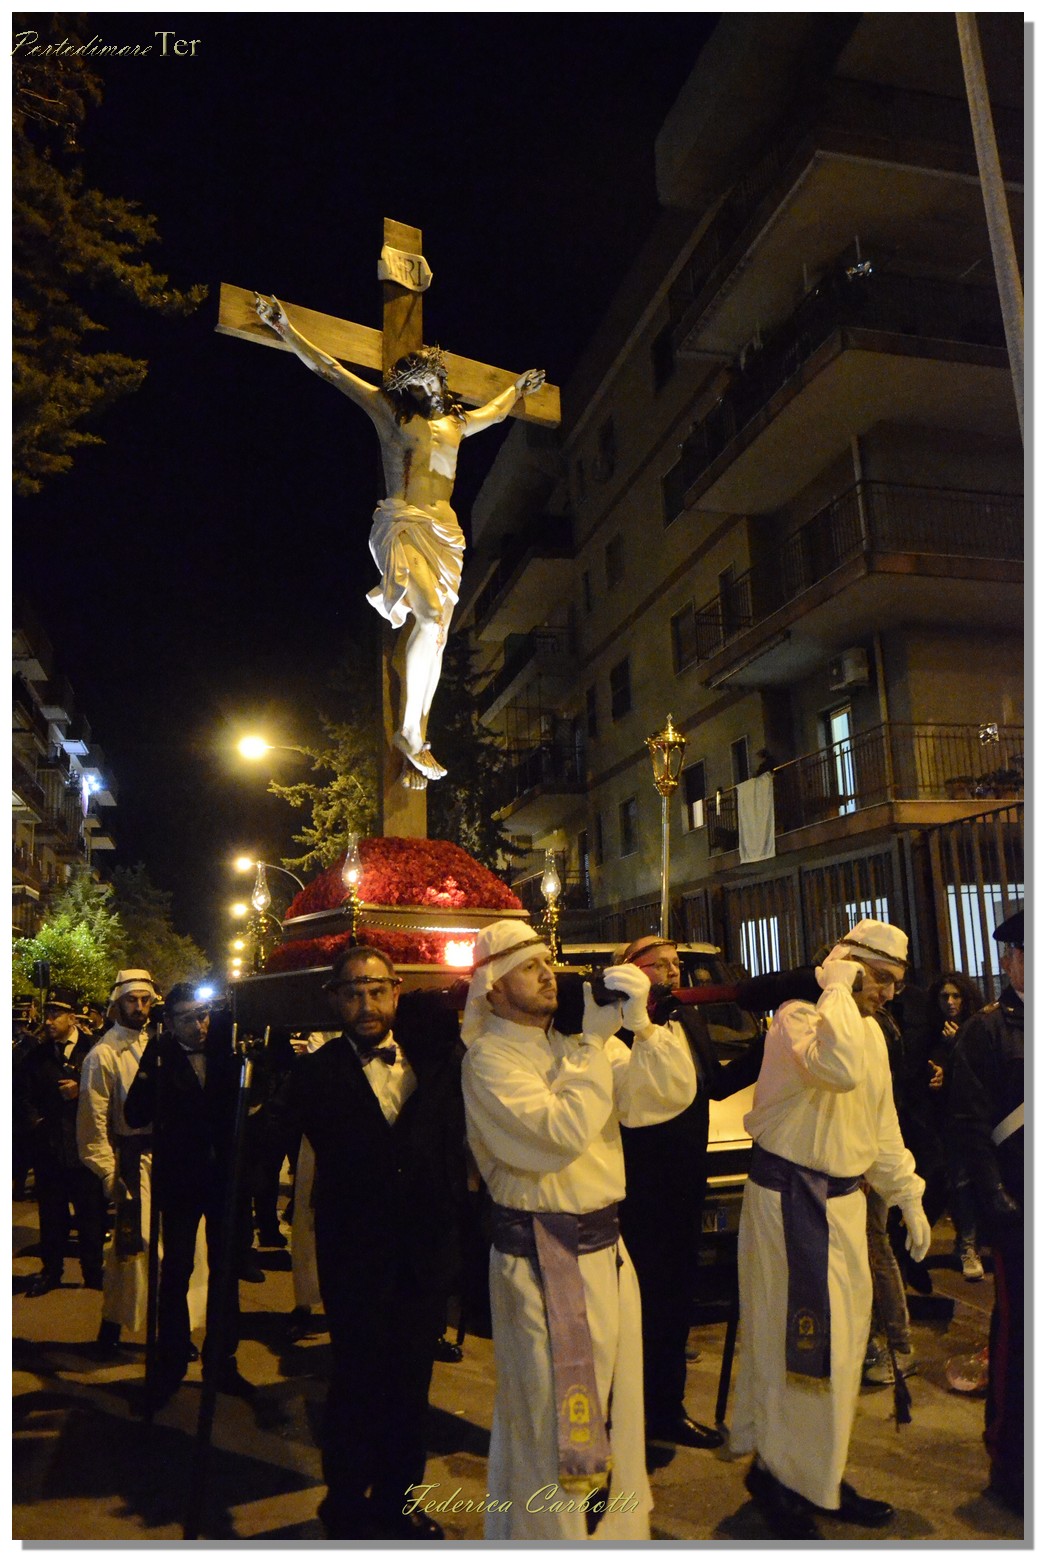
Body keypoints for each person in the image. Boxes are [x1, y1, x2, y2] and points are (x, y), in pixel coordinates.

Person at [459, 920, 698, 1540]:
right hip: (542, 1260)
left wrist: (643, 1025)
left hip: (607, 1251)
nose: (547, 974)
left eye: (547, 962)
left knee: (616, 1407)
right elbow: (558, 1135)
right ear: (492, 988)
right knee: (552, 1420)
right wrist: (594, 1048)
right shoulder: (488, 1060)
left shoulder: (571, 1044)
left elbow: (664, 1097)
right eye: (529, 966)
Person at [254, 294, 544, 785]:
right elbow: (330, 369)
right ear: (406, 390)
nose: (431, 386)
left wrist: (516, 389)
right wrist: (285, 328)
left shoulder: (455, 423)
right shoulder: (393, 417)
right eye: (420, 383)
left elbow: (493, 414)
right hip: (403, 521)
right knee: (429, 614)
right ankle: (409, 734)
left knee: (436, 632)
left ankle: (416, 729)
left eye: (434, 378)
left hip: (445, 533)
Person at [728, 919, 930, 1539]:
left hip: (841, 1207)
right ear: (850, 966)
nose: (890, 994)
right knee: (791, 1345)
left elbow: (879, 1121)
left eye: (897, 983)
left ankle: (818, 1472)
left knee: (838, 1354)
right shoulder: (799, 1018)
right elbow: (836, 1070)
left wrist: (908, 1194)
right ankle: (780, 1475)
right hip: (789, 1201)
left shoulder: (865, 1031)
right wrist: (837, 988)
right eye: (884, 980)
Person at [263, 947, 467, 1539]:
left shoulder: (434, 1060)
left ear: (396, 992)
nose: (367, 1004)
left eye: (377, 990)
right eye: (353, 992)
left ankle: (402, 1501)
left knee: (411, 1385)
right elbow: (269, 1138)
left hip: (423, 1252)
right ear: (334, 999)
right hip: (353, 1253)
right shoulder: (315, 1073)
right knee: (355, 1380)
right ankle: (346, 1501)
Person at [613, 936, 762, 1450]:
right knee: (641, 1302)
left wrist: (766, 1048)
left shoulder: (689, 1019)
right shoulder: (617, 1023)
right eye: (662, 965)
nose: (673, 973)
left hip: (687, 1178)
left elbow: (714, 1087)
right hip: (639, 1184)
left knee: (678, 1296)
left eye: (677, 965)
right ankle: (629, 1416)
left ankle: (667, 1409)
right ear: (632, 970)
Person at [122, 983, 252, 1406]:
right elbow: (135, 1112)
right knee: (175, 1270)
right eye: (188, 1018)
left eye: (203, 1014)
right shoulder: (160, 1055)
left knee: (225, 1269)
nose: (200, 1024)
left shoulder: (225, 1050)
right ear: (170, 1022)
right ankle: (172, 1362)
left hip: (222, 1178)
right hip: (180, 1179)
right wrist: (153, 1072)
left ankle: (221, 1361)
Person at [951, 909, 1024, 1516]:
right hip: (1019, 1205)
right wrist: (994, 1197)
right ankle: (1012, 1464)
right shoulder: (988, 1031)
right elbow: (971, 1124)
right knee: (1018, 1336)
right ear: (1009, 960)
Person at [77, 969, 162, 1354]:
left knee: (172, 1248)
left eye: (146, 1000)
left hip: (165, 1161)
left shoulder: (159, 1047)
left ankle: (163, 1328)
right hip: (130, 1161)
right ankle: (113, 1326)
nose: (140, 1007)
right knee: (133, 1248)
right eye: (133, 1000)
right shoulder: (102, 1055)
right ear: (117, 1004)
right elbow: (92, 1123)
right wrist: (109, 1173)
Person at [17, 989, 107, 1296]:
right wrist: (37, 1124)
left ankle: (93, 1272)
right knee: (51, 1216)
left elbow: (108, 1092)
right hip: (50, 1149)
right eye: (47, 1014)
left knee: (90, 1217)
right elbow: (23, 1096)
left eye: (56, 1015)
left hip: (85, 1148)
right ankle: (51, 1272)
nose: (49, 1021)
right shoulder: (37, 1056)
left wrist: (81, 1088)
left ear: (73, 1018)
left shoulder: (94, 1050)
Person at [928, 970, 986, 1280]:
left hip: (978, 1116)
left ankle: (972, 1243)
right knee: (960, 1181)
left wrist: (956, 1044)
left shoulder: (977, 1027)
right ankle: (967, 1245)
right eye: (944, 997)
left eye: (956, 996)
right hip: (949, 1118)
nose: (950, 1003)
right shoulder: (933, 1030)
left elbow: (978, 1069)